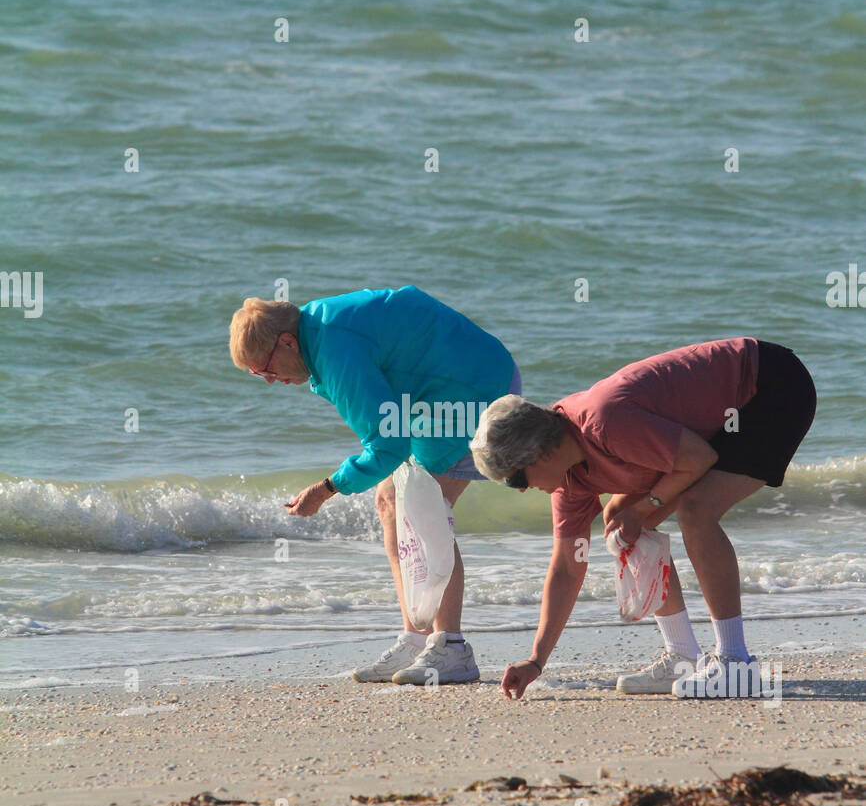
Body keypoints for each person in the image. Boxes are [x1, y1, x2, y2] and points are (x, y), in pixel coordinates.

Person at [469, 338, 816, 699]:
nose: (521, 490)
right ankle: (682, 656)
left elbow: (698, 460)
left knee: (695, 512)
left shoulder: (604, 423)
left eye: (515, 479)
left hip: (769, 385)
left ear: (539, 453)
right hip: (715, 420)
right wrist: (536, 661)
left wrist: (643, 507)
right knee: (621, 522)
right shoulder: (568, 481)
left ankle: (734, 662)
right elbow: (567, 567)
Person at [229, 285, 520, 684]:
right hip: (438, 388)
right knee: (388, 500)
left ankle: (452, 648)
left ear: (286, 342)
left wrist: (327, 488)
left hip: (472, 387)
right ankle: (416, 641)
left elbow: (388, 444)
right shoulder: (318, 335)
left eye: (265, 368)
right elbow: (387, 432)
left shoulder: (333, 350)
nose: (268, 380)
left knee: (420, 506)